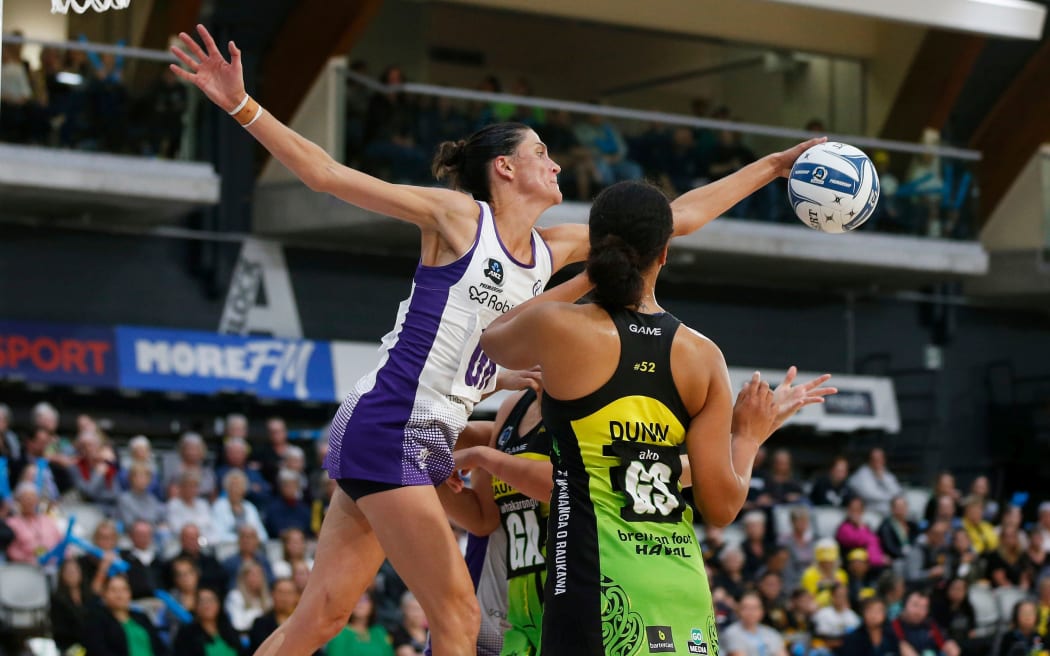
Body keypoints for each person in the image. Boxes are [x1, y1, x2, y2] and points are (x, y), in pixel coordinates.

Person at [171, 25, 822, 656]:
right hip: (392, 423)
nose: (556, 161)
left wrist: (770, 166)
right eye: (542, 153)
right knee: (459, 615)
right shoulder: (459, 219)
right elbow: (326, 175)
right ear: (506, 168)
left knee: (322, 616)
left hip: (425, 435)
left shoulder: (554, 247)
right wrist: (242, 105)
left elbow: (674, 219)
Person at [476, 181, 834, 654]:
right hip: (680, 585)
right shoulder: (704, 355)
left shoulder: (561, 327)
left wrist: (590, 275)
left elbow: (493, 336)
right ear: (664, 254)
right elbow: (722, 508)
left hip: (596, 586)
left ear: (595, 247)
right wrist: (748, 436)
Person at [437, 388, 551, 656]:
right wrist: (429, 473)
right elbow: (484, 518)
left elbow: (568, 485)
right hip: (517, 607)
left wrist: (482, 457)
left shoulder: (586, 397)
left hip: (575, 595)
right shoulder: (514, 406)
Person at [83, 574, 170, 656]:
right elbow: (99, 651)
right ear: (104, 594)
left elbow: (159, 647)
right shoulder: (96, 620)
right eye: (113, 590)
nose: (119, 595)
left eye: (124, 589)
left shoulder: (141, 616)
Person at [173, 587, 246, 656]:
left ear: (219, 604)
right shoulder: (186, 634)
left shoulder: (230, 631)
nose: (207, 605)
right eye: (202, 601)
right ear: (195, 606)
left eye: (211, 600)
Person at [889, 590, 961, 656]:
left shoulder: (929, 624)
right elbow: (904, 648)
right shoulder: (895, 626)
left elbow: (944, 641)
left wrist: (950, 646)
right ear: (904, 604)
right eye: (915, 605)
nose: (919, 612)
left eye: (924, 607)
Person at [4, 481, 62, 563]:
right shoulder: (11, 523)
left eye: (32, 498)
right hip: (26, 567)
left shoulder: (47, 520)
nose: (29, 501)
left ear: (37, 500)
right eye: (26, 498)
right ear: (19, 501)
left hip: (54, 563)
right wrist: (31, 560)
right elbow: (11, 550)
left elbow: (61, 541)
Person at [325, 590, 395, 656]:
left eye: (364, 599)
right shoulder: (339, 632)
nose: (359, 603)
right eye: (355, 599)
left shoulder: (379, 632)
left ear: (372, 605)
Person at [721, 592, 789, 656]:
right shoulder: (732, 633)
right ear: (739, 610)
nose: (751, 612)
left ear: (762, 611)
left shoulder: (771, 633)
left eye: (755, 608)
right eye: (746, 608)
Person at [50, 558, 92, 654]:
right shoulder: (57, 600)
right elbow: (60, 632)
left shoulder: (89, 596)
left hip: (91, 643)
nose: (72, 574)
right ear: (62, 575)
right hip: (70, 645)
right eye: (68, 571)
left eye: (75, 570)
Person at [847, 448, 901, 516]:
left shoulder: (886, 474)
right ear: (869, 460)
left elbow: (897, 491)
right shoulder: (861, 474)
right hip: (869, 512)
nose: (878, 461)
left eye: (880, 458)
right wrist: (891, 497)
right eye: (875, 459)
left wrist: (882, 479)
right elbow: (871, 495)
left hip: (888, 511)